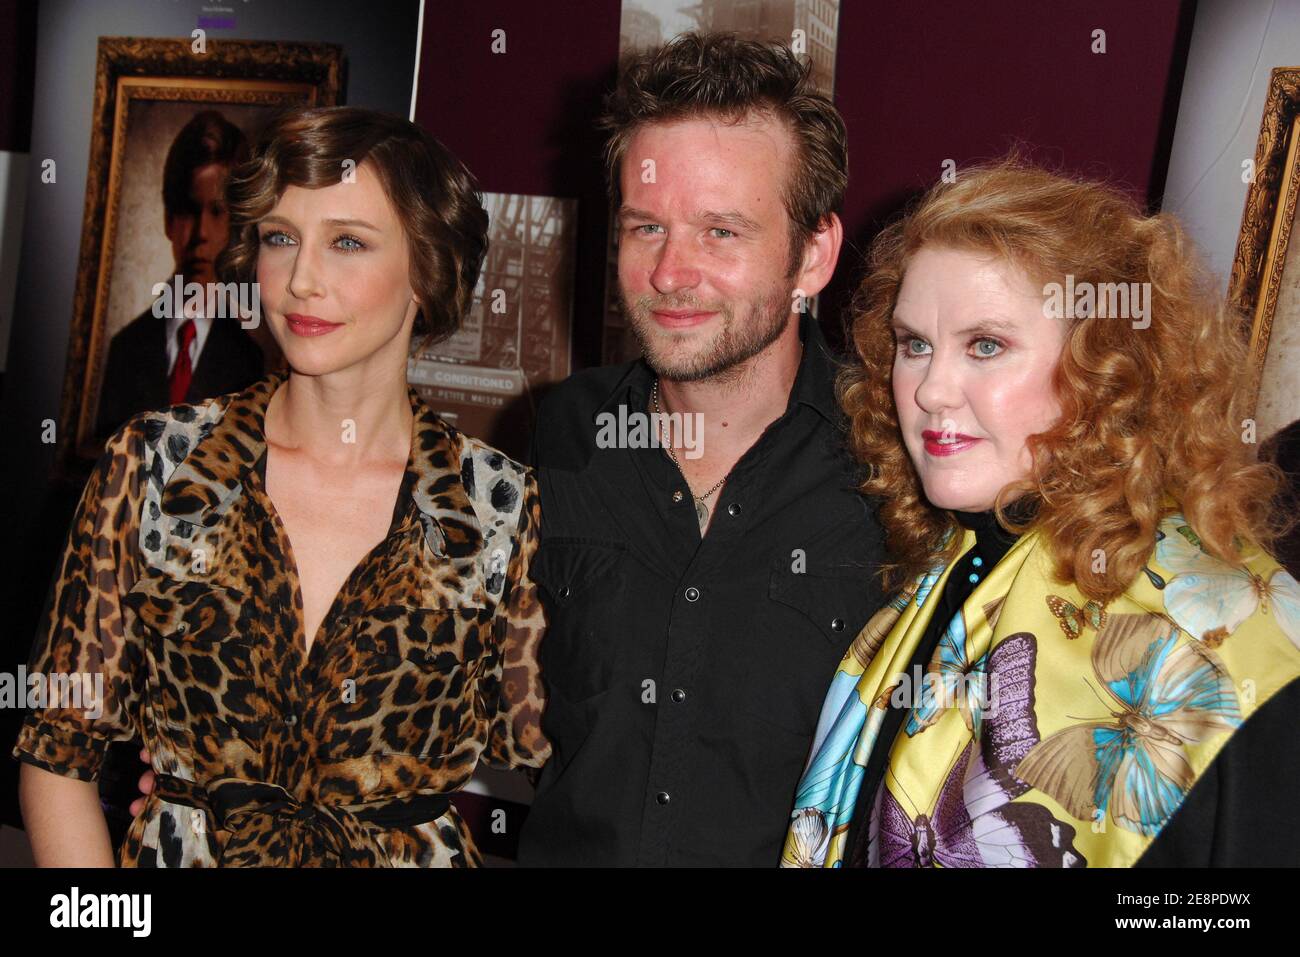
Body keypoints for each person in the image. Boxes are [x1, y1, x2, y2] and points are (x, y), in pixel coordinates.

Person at [14, 106, 549, 867]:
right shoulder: (153, 466)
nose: (300, 279)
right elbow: (56, 755)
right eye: (280, 238)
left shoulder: (499, 508)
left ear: (428, 271)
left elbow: (569, 766)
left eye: (348, 243)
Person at [782, 158, 1300, 868]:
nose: (931, 389)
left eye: (986, 345)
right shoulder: (942, 578)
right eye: (915, 344)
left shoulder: (1236, 637)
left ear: (1107, 367)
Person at [517, 33, 888, 867]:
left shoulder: (899, 467)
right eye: (647, 226)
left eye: (721, 232)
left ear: (814, 254)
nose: (671, 273)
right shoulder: (566, 432)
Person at [95, 110, 265, 444]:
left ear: (237, 226)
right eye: (188, 210)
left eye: (217, 212)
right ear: (169, 221)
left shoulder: (251, 362)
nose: (201, 233)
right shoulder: (126, 348)